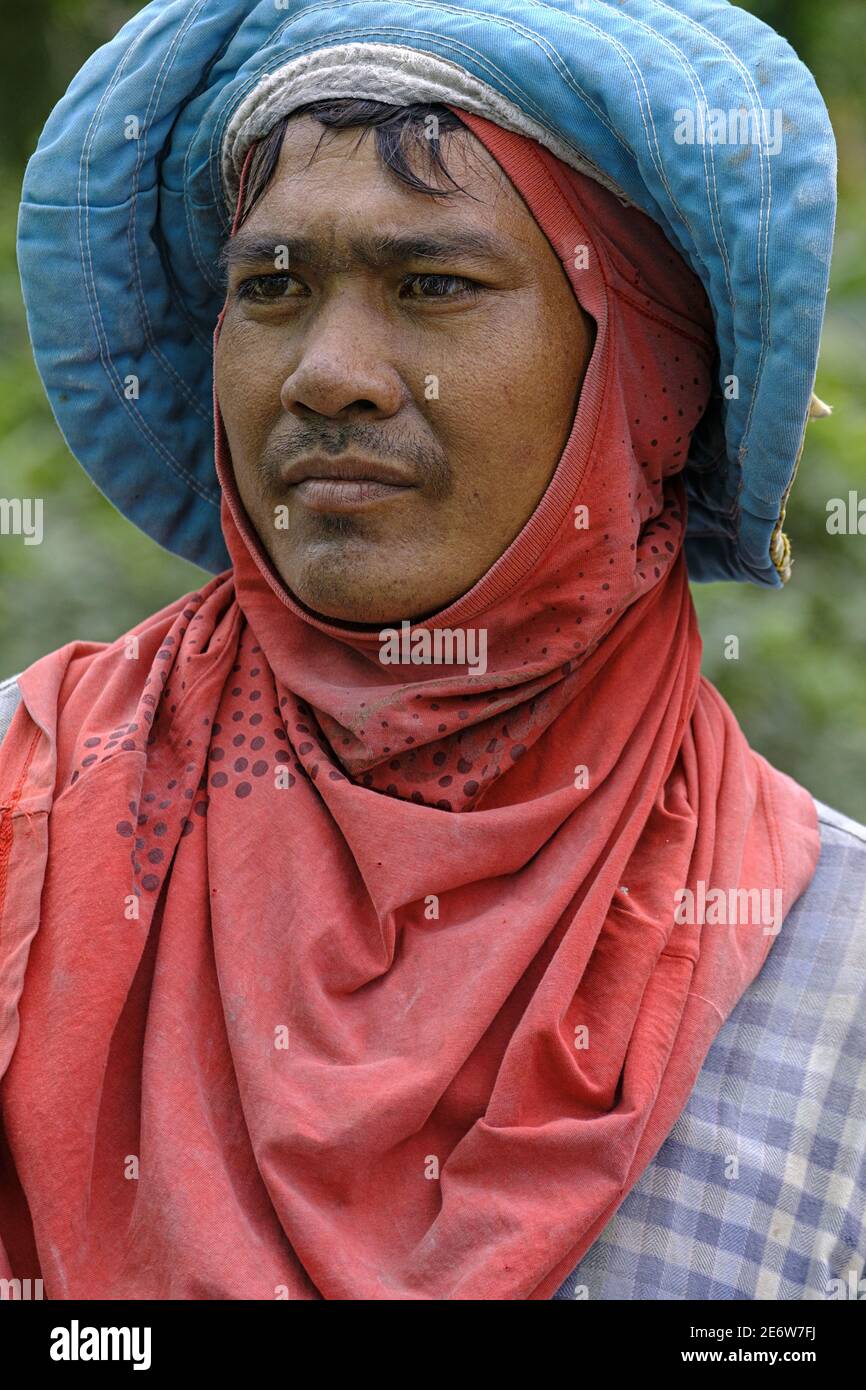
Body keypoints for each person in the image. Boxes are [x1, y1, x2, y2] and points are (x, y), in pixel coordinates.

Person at [0, 0, 863, 1302]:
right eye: (272, 287)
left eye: (434, 285)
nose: (329, 373)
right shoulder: (28, 816)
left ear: (640, 369)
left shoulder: (833, 978)